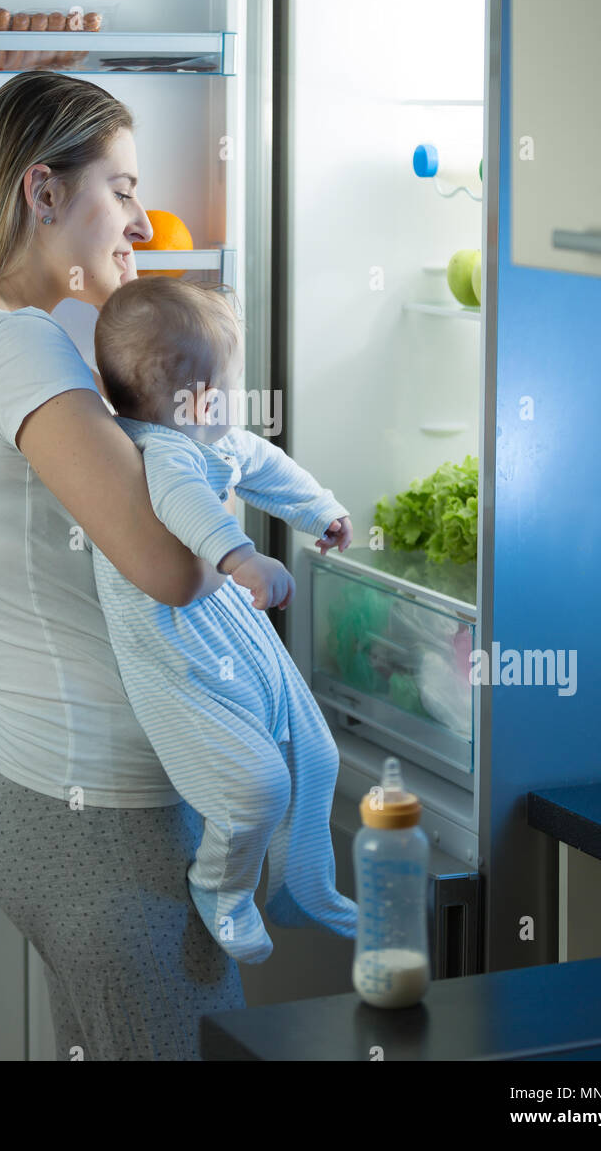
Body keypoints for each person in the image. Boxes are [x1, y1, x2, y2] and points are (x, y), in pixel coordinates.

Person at [0, 69, 245, 1061]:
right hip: (106, 826)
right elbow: (174, 567)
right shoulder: (23, 348)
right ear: (44, 192)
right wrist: (217, 438)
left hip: (34, 794)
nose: (139, 219)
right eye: (122, 189)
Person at [91, 278, 358, 964]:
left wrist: (321, 510)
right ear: (204, 399)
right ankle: (221, 889)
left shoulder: (213, 438)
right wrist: (243, 558)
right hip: (179, 648)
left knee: (319, 756)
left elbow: (267, 467)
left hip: (236, 633)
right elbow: (185, 505)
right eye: (234, 385)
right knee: (256, 787)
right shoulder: (159, 452)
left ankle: (306, 885)